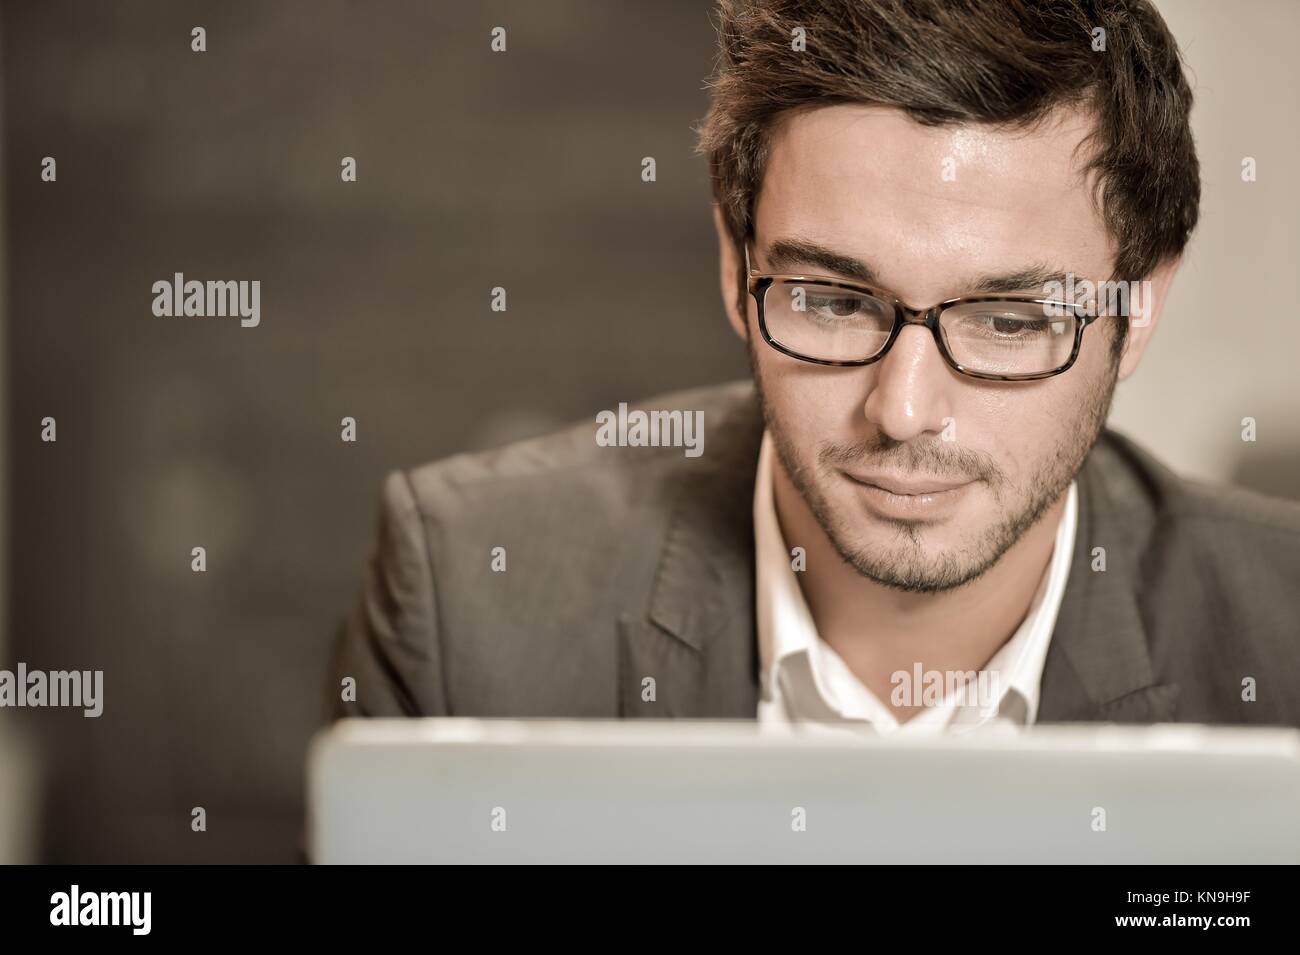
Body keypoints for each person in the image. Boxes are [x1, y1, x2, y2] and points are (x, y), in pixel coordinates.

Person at [327, 0, 1300, 732]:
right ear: (733, 261)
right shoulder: (467, 601)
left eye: (1007, 320)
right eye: (834, 302)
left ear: (1137, 309)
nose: (905, 410)